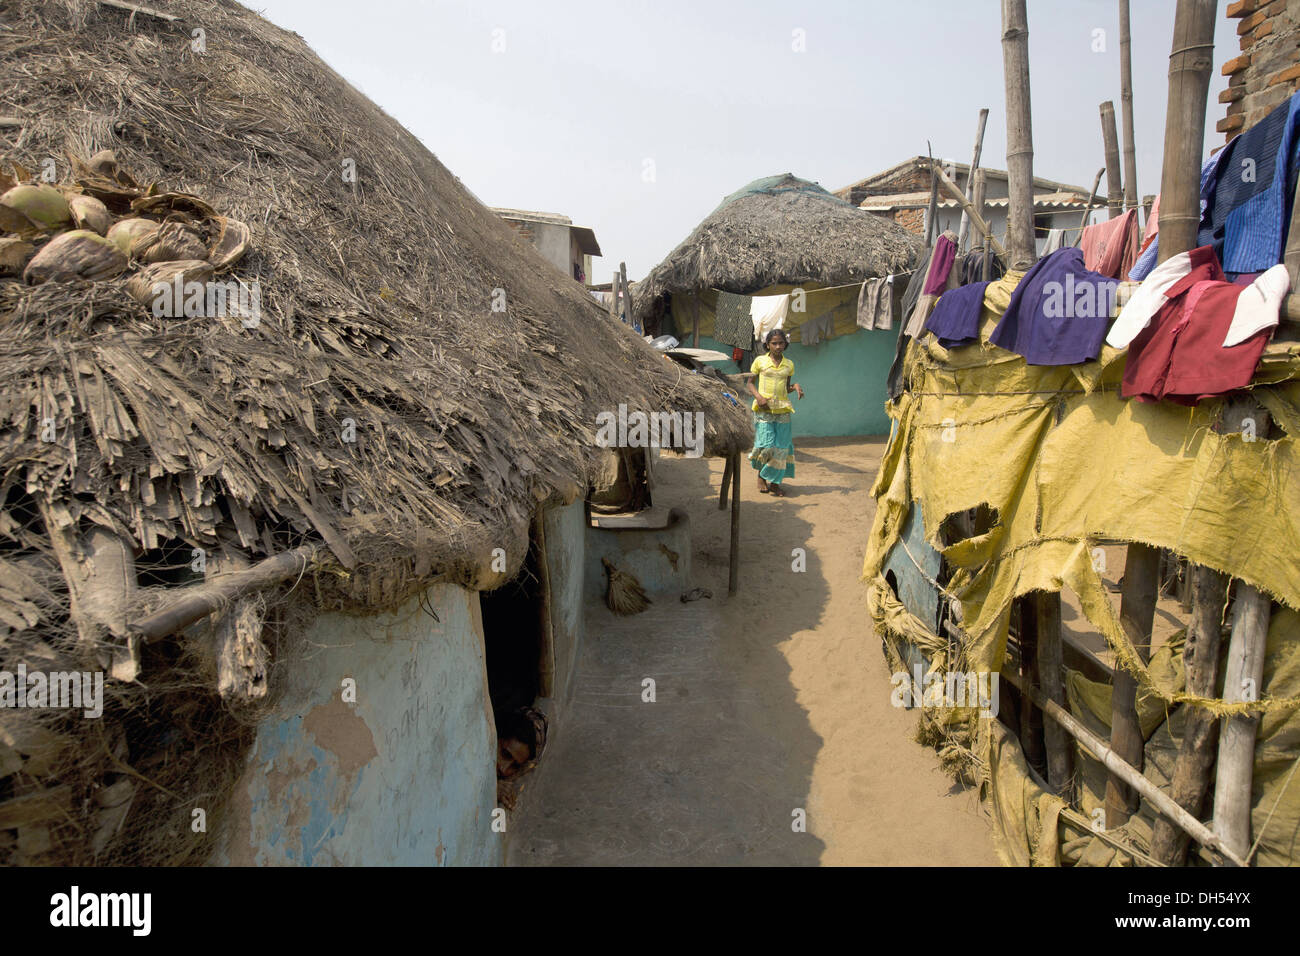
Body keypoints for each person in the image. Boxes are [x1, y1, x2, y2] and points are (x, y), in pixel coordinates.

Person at [745, 329, 804, 497]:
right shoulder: (760, 361)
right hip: (764, 410)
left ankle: (776, 483)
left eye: (781, 343)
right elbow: (750, 383)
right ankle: (762, 476)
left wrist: (796, 387)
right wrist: (758, 396)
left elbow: (786, 388)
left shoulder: (789, 365)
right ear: (767, 345)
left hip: (783, 410)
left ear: (786, 344)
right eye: (774, 343)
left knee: (782, 447)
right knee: (766, 444)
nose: (778, 346)